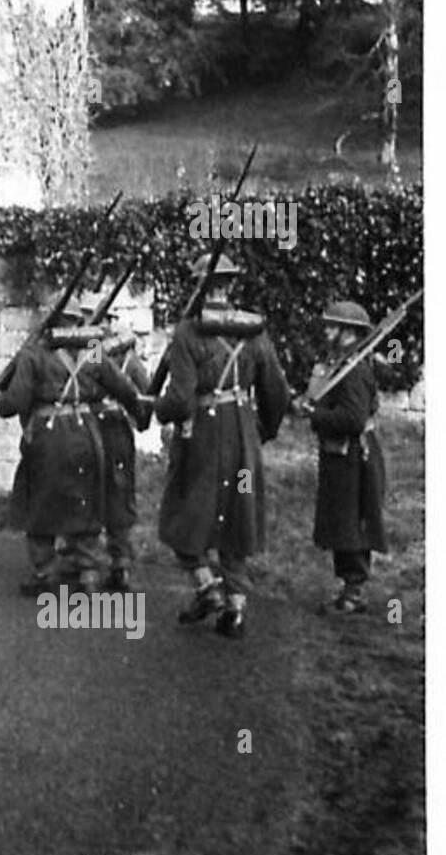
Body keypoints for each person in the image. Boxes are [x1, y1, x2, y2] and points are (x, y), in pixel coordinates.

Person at [153, 253, 289, 638]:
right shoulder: (253, 330)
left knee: (182, 510)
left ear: (199, 287)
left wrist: (158, 410)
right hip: (243, 435)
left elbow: (180, 399)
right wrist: (260, 430)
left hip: (203, 439)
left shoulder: (187, 333)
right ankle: (236, 609)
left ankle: (205, 586)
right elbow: (276, 393)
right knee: (237, 513)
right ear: (229, 287)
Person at [0, 298, 149, 596]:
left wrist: (0, 401)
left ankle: (43, 571)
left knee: (37, 499)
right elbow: (123, 388)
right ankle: (88, 570)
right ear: (77, 321)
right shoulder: (92, 349)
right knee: (85, 497)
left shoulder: (35, 352)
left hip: (48, 436)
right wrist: (140, 414)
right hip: (88, 433)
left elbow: (12, 403)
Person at [296, 300, 387, 614]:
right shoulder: (342, 364)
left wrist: (315, 414)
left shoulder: (355, 370)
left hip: (354, 457)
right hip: (339, 455)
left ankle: (353, 594)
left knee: (352, 525)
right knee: (341, 522)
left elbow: (353, 419)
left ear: (348, 331)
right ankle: (349, 590)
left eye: (333, 326)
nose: (327, 331)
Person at [77, 288, 151, 592]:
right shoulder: (128, 354)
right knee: (118, 494)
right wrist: (140, 416)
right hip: (117, 428)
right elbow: (143, 392)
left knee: (90, 494)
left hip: (91, 428)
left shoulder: (83, 349)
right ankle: (119, 564)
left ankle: (90, 567)